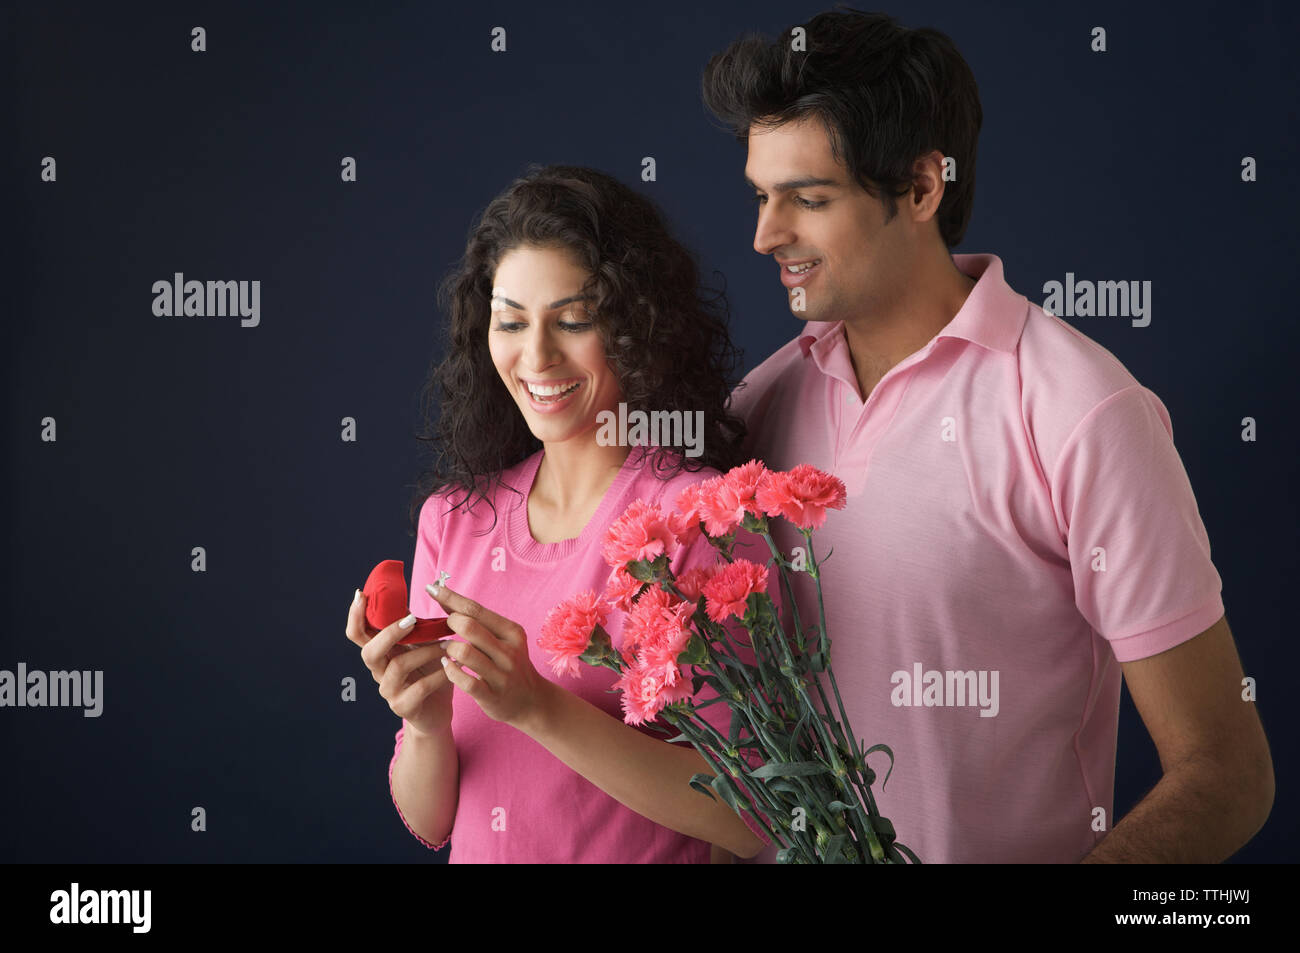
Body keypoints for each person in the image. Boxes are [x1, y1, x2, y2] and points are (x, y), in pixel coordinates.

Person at [700, 8, 1274, 863]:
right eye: (760, 194)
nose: (764, 234)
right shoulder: (758, 407)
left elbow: (1227, 772)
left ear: (924, 188)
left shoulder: (1083, 410)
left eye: (808, 199)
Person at [344, 165, 772, 863]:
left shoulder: (698, 521)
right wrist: (424, 722)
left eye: (572, 320)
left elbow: (753, 814)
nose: (536, 356)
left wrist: (538, 706)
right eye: (511, 322)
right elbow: (432, 821)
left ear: (637, 326)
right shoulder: (453, 519)